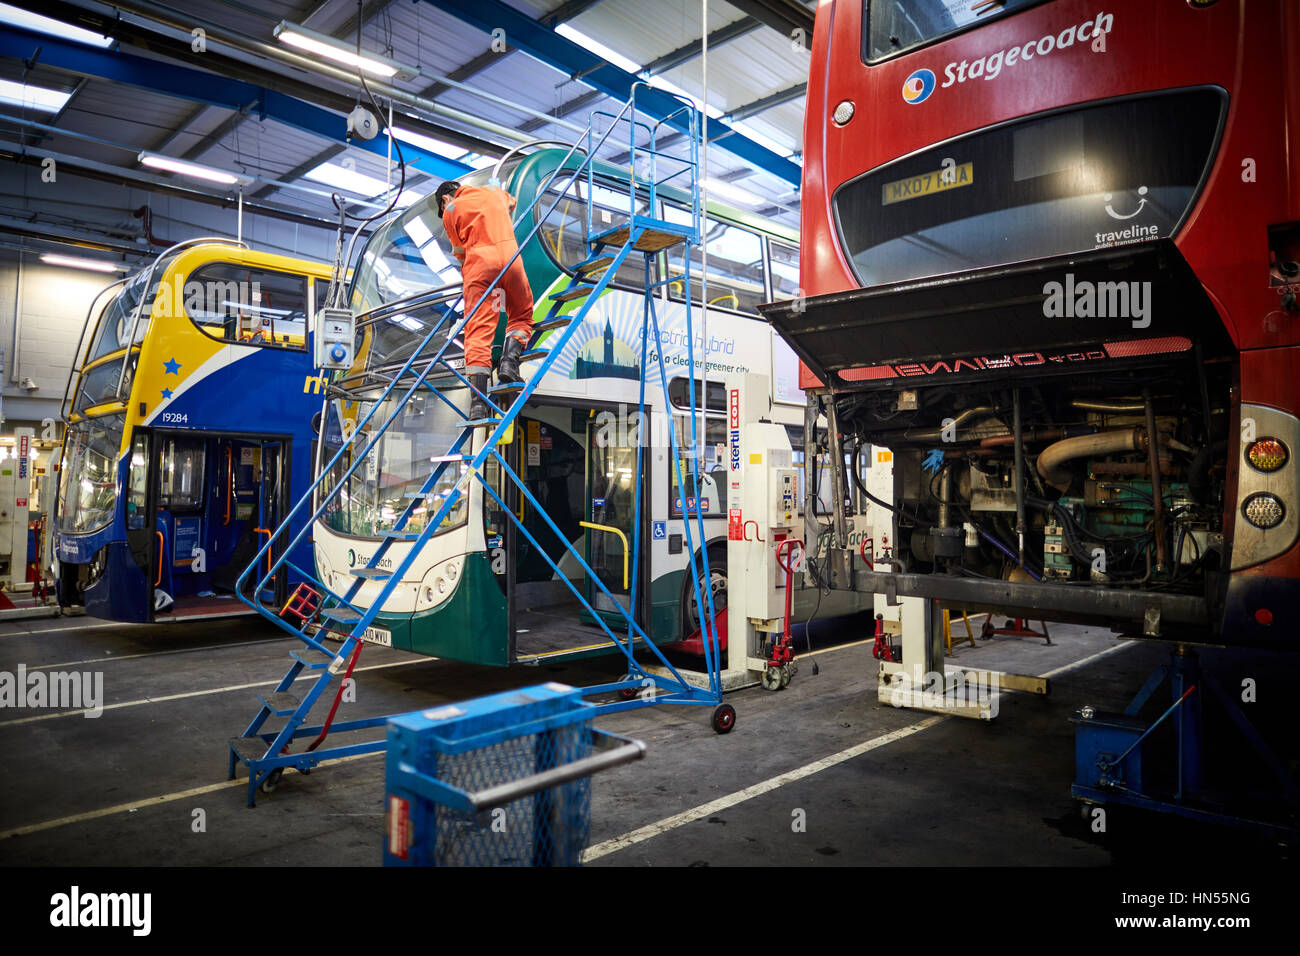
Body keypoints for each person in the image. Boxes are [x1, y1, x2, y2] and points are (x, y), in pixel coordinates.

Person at [435, 179, 535, 421]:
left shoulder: (450, 210)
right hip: (511, 260)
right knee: (521, 315)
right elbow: (511, 204)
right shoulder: (493, 191)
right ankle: (509, 363)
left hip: (480, 267)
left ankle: (478, 403)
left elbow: (460, 252)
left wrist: (475, 276)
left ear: (445, 199)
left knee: (478, 332)